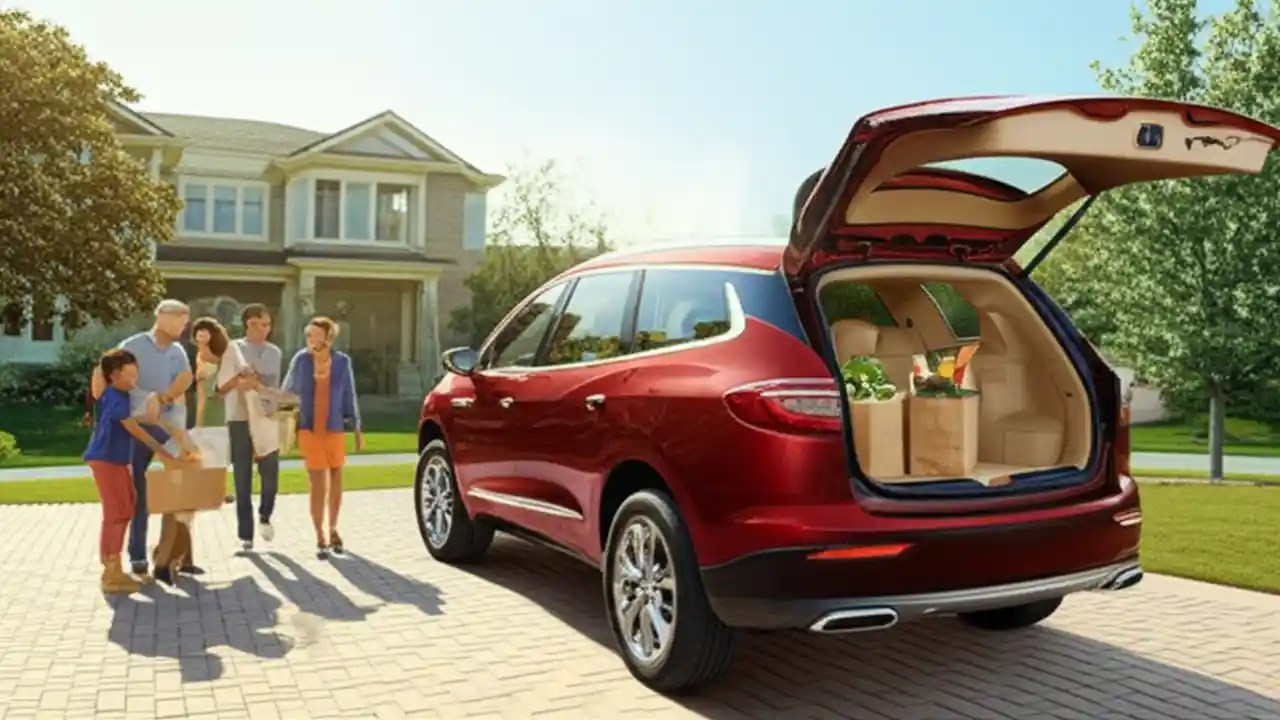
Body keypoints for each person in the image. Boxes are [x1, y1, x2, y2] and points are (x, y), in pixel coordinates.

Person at [91, 299, 195, 580]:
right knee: (137, 496)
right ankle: (136, 557)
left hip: (168, 425)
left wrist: (166, 397)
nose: (183, 327)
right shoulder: (134, 344)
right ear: (161, 317)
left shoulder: (177, 351)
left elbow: (186, 377)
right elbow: (102, 371)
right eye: (179, 320)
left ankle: (166, 555)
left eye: (185, 322)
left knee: (177, 493)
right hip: (138, 427)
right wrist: (104, 404)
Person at [281, 316, 365, 559]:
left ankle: (333, 528)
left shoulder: (342, 362)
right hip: (309, 428)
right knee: (318, 484)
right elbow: (288, 391)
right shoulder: (301, 361)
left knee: (337, 480)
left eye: (315, 334)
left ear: (328, 336)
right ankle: (320, 535)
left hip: (335, 428)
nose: (311, 338)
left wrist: (357, 428)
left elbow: (350, 395)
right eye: (308, 334)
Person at [223, 304, 283, 551]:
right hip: (238, 417)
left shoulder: (274, 352)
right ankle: (245, 533)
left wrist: (254, 381)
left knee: (270, 475)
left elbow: (270, 383)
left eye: (267, 324)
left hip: (267, 417)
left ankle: (265, 514)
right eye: (258, 324)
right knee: (242, 476)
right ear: (247, 323)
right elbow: (223, 385)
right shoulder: (233, 349)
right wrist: (239, 380)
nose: (263, 329)